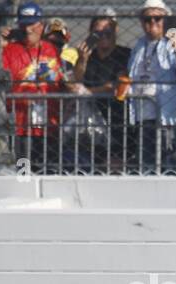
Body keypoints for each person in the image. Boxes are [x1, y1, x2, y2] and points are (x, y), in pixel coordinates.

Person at [127, 0, 176, 173]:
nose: (152, 23)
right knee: (146, 165)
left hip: (169, 115)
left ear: (166, 20)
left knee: (169, 166)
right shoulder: (140, 45)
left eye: (157, 18)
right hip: (144, 113)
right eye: (147, 19)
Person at [3, 2, 69, 172]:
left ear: (41, 25)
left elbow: (63, 81)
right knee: (23, 174)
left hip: (49, 126)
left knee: (51, 174)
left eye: (32, 24)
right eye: (24, 24)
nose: (28, 29)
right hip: (21, 126)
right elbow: (2, 85)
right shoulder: (9, 51)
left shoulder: (52, 50)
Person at [69, 8, 132, 172]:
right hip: (90, 126)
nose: (103, 35)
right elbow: (76, 81)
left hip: (117, 122)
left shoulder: (125, 55)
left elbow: (119, 85)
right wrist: (82, 59)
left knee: (114, 167)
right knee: (86, 166)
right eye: (97, 32)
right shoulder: (88, 57)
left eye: (107, 31)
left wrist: (89, 92)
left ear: (115, 31)